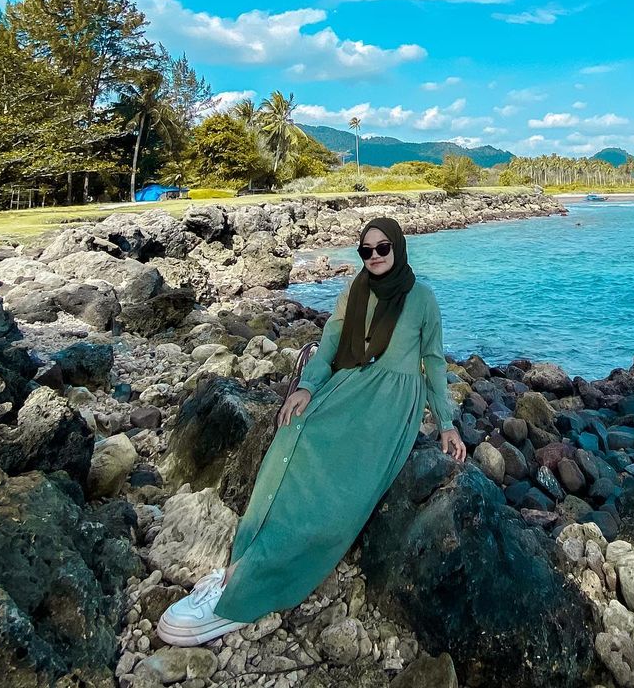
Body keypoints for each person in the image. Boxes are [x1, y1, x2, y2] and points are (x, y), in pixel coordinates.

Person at [157, 217, 466, 646]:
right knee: (293, 428)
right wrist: (304, 387)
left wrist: (447, 425)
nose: (374, 257)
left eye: (383, 249)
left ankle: (252, 586)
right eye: (366, 250)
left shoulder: (422, 298)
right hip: (349, 384)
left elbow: (433, 362)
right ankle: (240, 566)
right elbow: (328, 347)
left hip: (392, 406)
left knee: (338, 489)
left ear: (398, 249)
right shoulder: (354, 291)